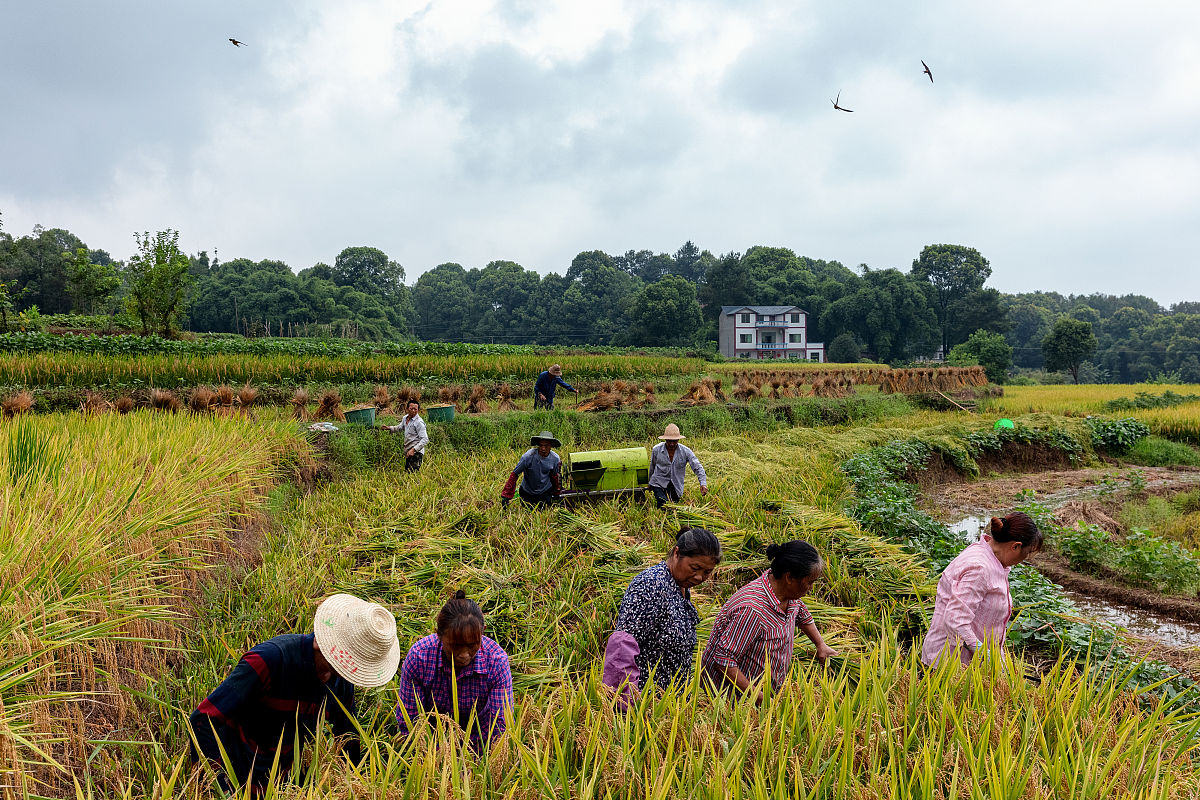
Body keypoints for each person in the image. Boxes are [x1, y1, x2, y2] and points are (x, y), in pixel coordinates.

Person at [189, 594, 401, 795]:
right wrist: (221, 785)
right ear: (320, 643)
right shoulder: (270, 661)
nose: (348, 671)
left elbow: (348, 735)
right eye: (345, 662)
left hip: (284, 778)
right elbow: (201, 720)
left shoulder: (342, 680)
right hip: (240, 770)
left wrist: (354, 784)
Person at [701, 540, 836, 700]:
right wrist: (758, 698)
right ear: (789, 577)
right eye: (810, 582)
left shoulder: (789, 595)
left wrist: (820, 644)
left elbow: (800, 612)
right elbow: (723, 661)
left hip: (765, 693)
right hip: (734, 700)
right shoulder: (751, 610)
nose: (811, 588)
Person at [602, 527, 722, 704]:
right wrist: (624, 702)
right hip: (645, 703)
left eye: (707, 572)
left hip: (669, 703)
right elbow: (622, 647)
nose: (699, 577)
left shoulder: (681, 586)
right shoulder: (651, 586)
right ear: (676, 553)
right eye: (695, 568)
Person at [395, 590, 514, 752]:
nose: (464, 655)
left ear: (483, 632)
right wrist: (436, 754)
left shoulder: (496, 661)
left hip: (480, 738)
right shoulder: (419, 657)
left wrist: (471, 756)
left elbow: (499, 724)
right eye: (455, 646)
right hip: (432, 737)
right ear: (439, 635)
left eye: (472, 645)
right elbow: (409, 718)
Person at [921, 512, 1043, 667]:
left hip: (969, 662)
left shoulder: (986, 555)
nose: (1024, 559)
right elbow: (956, 620)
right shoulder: (980, 568)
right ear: (1015, 546)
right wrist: (981, 651)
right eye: (1026, 554)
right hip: (952, 664)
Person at [647, 424, 708, 508]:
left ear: (678, 439)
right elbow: (652, 466)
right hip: (658, 482)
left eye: (674, 441)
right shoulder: (656, 450)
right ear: (665, 439)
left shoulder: (686, 451)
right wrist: (649, 482)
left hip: (675, 484)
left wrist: (703, 484)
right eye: (669, 441)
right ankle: (660, 519)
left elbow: (698, 467)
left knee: (673, 504)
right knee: (662, 502)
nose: (671, 444)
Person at [500, 431, 562, 508]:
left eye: (546, 446)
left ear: (551, 446)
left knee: (543, 511)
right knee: (528, 512)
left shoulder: (555, 459)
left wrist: (557, 493)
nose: (543, 449)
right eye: (541, 445)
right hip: (528, 492)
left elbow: (555, 477)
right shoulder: (528, 457)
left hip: (545, 492)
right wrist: (506, 495)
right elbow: (515, 474)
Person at [387, 399, 428, 472]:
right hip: (408, 451)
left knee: (412, 473)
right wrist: (389, 428)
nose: (413, 411)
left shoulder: (419, 422)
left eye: (415, 409)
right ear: (407, 409)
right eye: (411, 408)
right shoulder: (405, 418)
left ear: (418, 410)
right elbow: (400, 427)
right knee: (407, 472)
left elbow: (425, 439)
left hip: (416, 452)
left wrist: (413, 450)